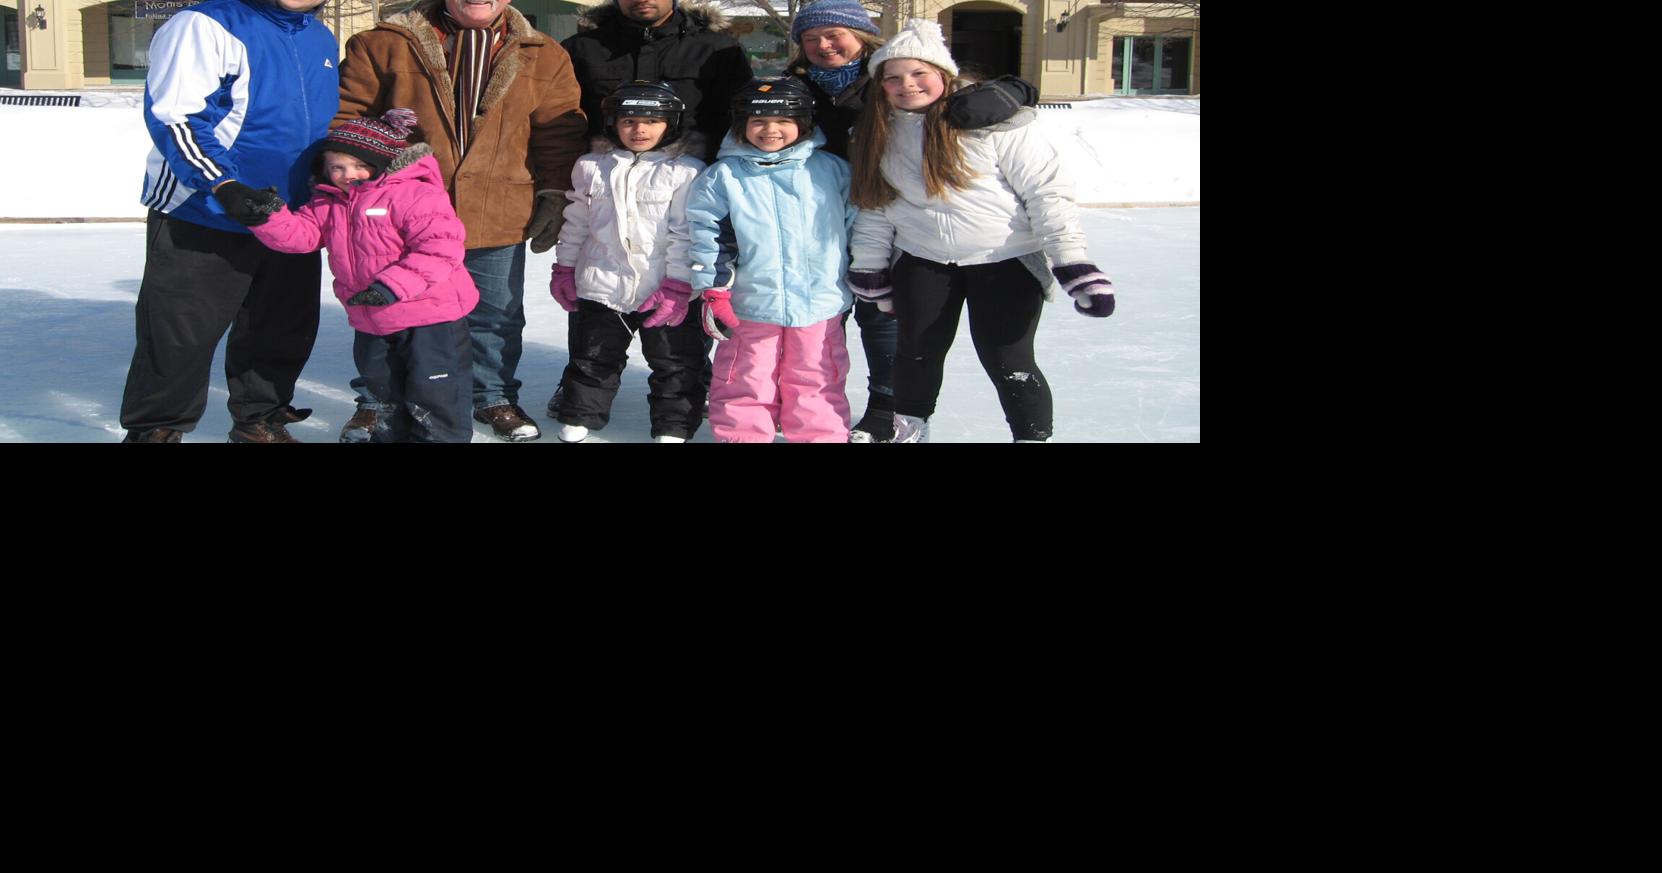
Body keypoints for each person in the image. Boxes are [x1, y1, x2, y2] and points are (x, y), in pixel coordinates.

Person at [847, 20, 1116, 444]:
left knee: (1008, 360)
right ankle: (909, 433)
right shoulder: (880, 132)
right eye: (892, 78)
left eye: (919, 73)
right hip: (923, 261)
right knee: (915, 357)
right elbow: (876, 207)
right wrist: (870, 267)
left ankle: (1031, 437)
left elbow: (1046, 194)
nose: (906, 85)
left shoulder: (995, 122)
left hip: (1004, 259)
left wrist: (1073, 262)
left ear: (943, 74)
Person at [334, 0, 589, 442]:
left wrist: (554, 193)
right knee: (390, 310)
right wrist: (358, 188)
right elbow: (349, 118)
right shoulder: (383, 43)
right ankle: (378, 401)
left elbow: (558, 132)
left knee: (496, 315)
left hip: (498, 206)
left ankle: (492, 395)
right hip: (400, 215)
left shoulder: (544, 53)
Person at [784, 0, 1036, 442]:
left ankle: (884, 409)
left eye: (834, 34)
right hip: (814, 219)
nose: (823, 45)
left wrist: (1015, 91)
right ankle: (811, 408)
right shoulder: (793, 87)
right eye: (810, 38)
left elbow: (964, 93)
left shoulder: (894, 78)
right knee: (817, 321)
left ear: (861, 36)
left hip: (888, 217)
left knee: (882, 319)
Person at [119, 0, 339, 444]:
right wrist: (223, 184)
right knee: (180, 334)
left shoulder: (319, 36)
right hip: (204, 211)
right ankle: (156, 428)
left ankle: (260, 421)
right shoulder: (205, 24)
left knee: (281, 331)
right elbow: (176, 116)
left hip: (290, 217)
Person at [240, 110, 479, 442]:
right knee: (384, 396)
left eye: (357, 165)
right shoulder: (328, 202)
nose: (346, 174)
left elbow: (440, 249)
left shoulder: (414, 195)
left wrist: (392, 287)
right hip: (371, 318)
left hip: (429, 318)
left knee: (435, 396)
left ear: (380, 162)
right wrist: (269, 217)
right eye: (336, 167)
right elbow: (302, 235)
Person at [685, 78, 855, 443]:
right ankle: (743, 436)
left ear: (803, 123)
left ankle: (820, 437)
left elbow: (855, 227)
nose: (770, 129)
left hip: (819, 303)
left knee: (817, 377)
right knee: (746, 377)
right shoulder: (723, 176)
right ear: (741, 125)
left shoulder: (832, 171)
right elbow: (708, 234)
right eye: (758, 121)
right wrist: (714, 288)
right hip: (750, 305)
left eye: (782, 120)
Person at [547, 82, 707, 444]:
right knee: (592, 356)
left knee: (675, 361)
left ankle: (673, 426)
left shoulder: (687, 171)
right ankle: (581, 415)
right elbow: (577, 222)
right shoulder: (591, 167)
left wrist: (679, 282)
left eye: (651, 121)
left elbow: (686, 233)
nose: (639, 130)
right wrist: (565, 267)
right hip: (603, 284)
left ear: (670, 124)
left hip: (664, 287)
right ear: (613, 124)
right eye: (629, 121)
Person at [562, 0, 753, 166]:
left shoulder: (717, 50)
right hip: (601, 178)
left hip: (694, 180)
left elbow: (743, 122)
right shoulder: (580, 49)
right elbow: (562, 123)